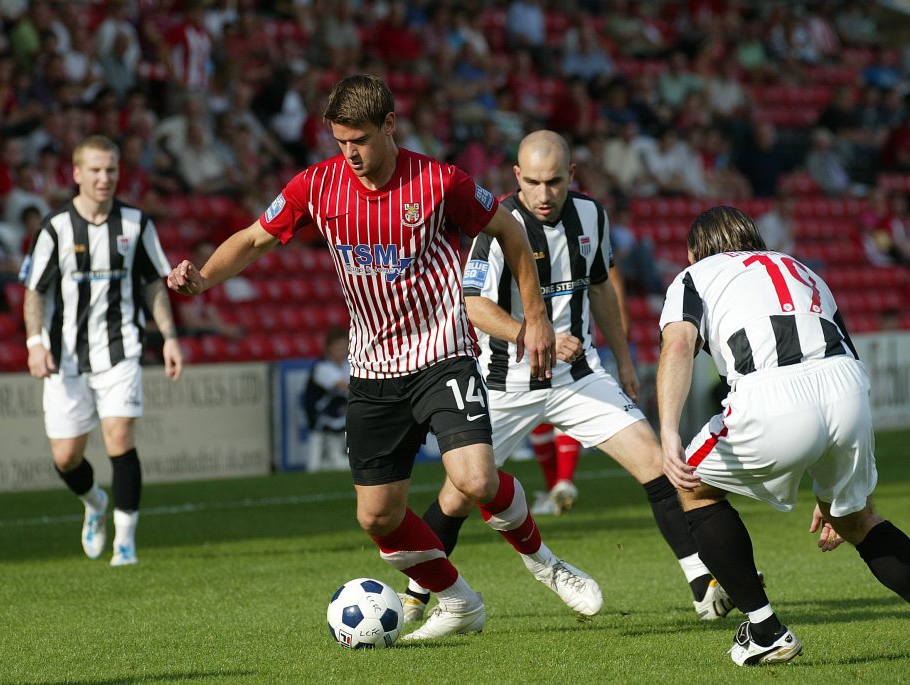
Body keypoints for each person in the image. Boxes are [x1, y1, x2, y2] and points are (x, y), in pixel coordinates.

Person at [167, 74, 598, 641]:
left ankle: (544, 561)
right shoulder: (316, 186)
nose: (351, 154)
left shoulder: (442, 182)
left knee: (473, 478)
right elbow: (252, 239)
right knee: (377, 517)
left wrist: (536, 316)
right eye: (341, 142)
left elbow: (511, 234)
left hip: (442, 353)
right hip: (372, 370)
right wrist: (203, 280)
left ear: (390, 127)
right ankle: (459, 601)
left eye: (361, 140)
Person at [400, 130, 726, 624]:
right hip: (502, 384)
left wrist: (622, 356)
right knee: (458, 493)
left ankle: (703, 581)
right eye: (533, 182)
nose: (544, 194)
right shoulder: (495, 224)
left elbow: (599, 288)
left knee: (658, 465)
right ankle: (411, 600)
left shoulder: (592, 216)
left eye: (554, 181)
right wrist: (535, 334)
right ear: (516, 178)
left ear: (571, 176)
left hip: (576, 377)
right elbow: (475, 307)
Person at [657, 205, 910, 666]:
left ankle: (765, 630)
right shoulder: (800, 268)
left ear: (694, 250)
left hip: (771, 393)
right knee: (857, 521)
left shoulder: (694, 275)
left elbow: (677, 345)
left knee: (689, 484)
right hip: (847, 386)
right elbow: (842, 348)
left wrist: (669, 429)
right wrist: (832, 479)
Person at [22, 135, 184, 567]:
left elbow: (154, 282)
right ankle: (94, 503)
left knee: (119, 437)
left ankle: (125, 543)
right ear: (76, 174)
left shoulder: (135, 223)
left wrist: (168, 336)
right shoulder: (55, 227)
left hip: (120, 350)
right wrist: (35, 343)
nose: (104, 178)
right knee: (66, 457)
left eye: (111, 169)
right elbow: (34, 291)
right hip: (66, 358)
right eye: (94, 170)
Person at [303, 325, 350, 473]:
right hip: (320, 419)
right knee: (315, 465)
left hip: (339, 418)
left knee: (339, 461)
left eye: (345, 345)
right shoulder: (322, 366)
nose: (343, 350)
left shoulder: (346, 365)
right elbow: (343, 386)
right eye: (339, 346)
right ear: (329, 347)